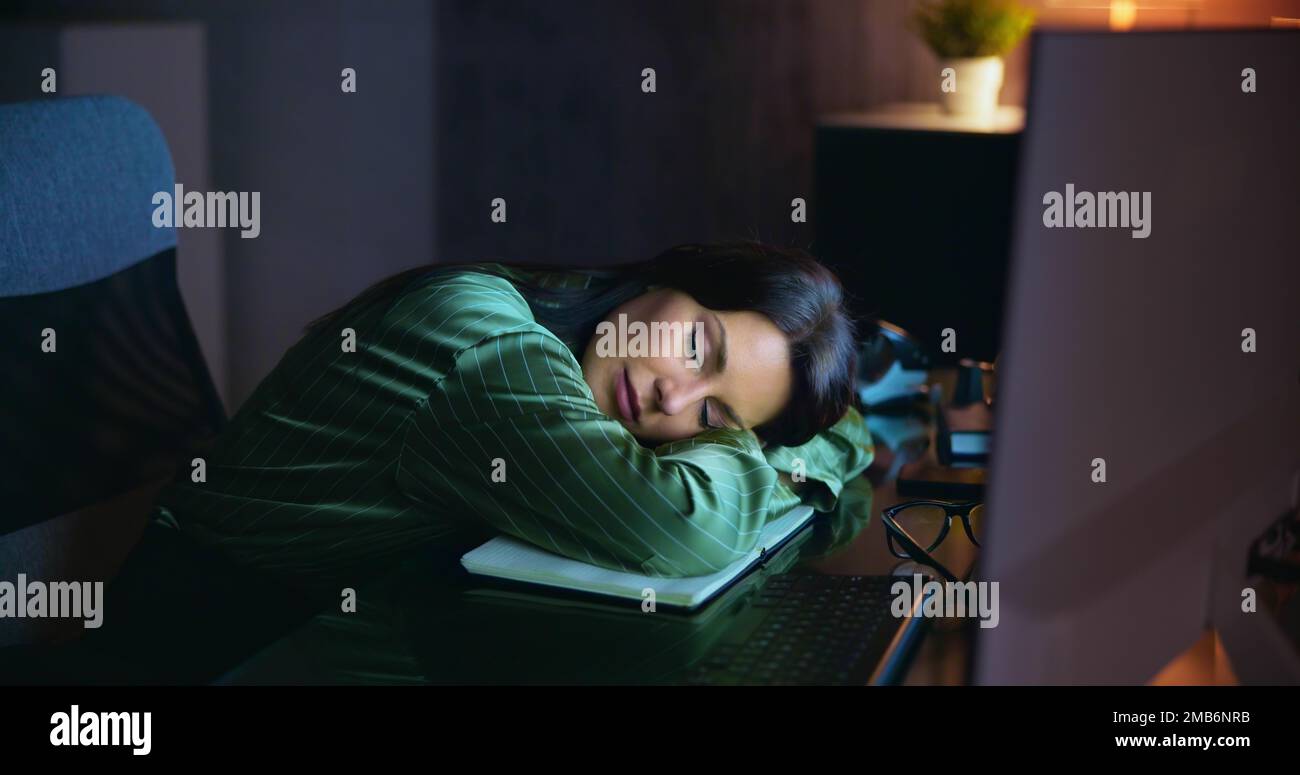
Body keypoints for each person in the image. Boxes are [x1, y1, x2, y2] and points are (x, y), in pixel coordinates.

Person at [153, 241, 874, 590]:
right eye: (695, 346)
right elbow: (683, 524)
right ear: (670, 280)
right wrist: (753, 448)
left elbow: (844, 429)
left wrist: (762, 439)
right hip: (197, 639)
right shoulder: (494, 349)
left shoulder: (563, 334)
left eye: (714, 414)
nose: (672, 400)